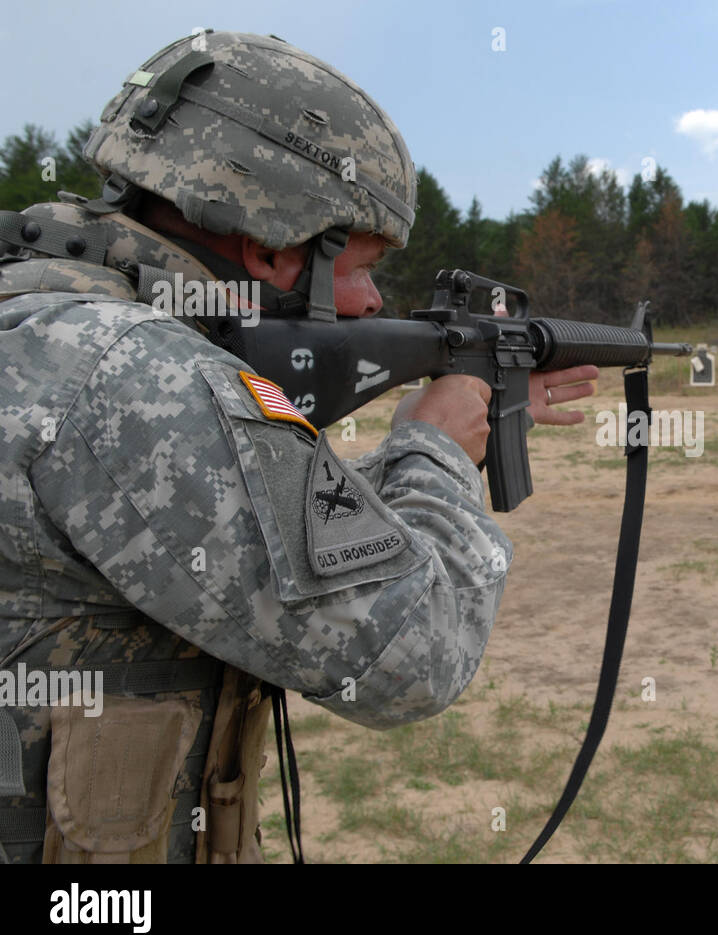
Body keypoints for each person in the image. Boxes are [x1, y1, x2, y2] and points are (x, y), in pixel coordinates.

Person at [0, 30, 595, 864]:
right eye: (362, 264)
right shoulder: (131, 374)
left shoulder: (52, 314)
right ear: (276, 246)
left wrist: (446, 430)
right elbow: (414, 649)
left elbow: (250, 522)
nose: (375, 299)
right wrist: (436, 451)